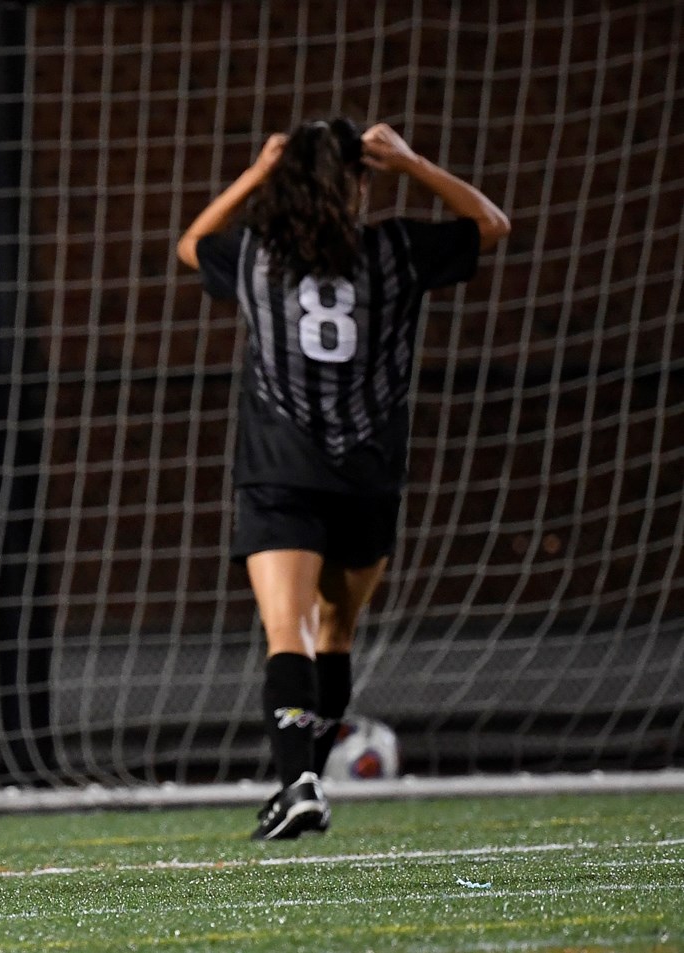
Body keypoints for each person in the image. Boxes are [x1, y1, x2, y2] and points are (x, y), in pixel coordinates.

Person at [176, 118, 509, 840]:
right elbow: (488, 223)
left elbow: (188, 244)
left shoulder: (257, 254)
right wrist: (412, 162)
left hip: (279, 474)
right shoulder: (397, 248)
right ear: (361, 180)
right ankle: (308, 779)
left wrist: (256, 171)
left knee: (284, 630)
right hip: (367, 473)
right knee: (335, 631)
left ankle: (296, 782)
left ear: (285, 181)